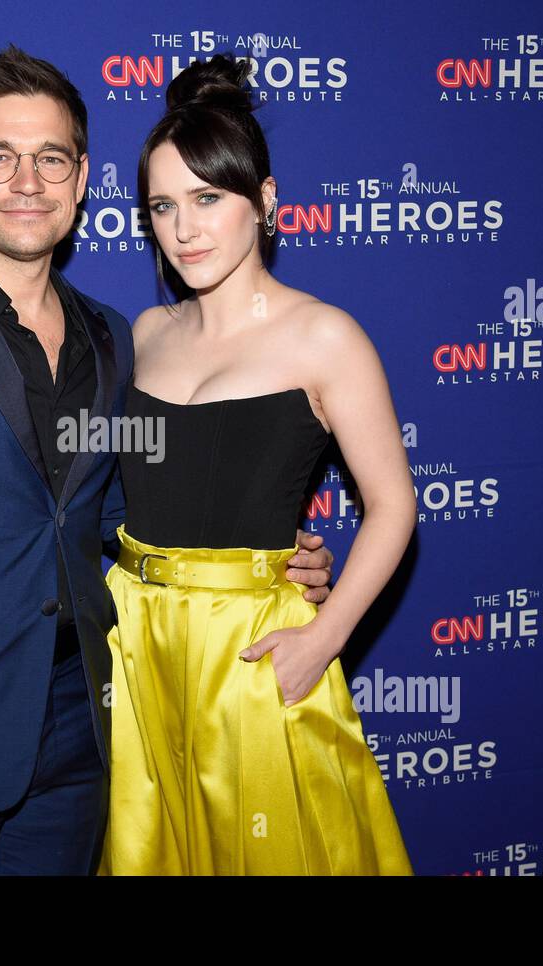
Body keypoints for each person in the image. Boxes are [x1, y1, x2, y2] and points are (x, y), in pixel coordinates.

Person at [0, 44, 334, 876]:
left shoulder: (111, 336)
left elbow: (119, 510)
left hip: (90, 731)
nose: (27, 181)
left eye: (51, 158)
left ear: (81, 181)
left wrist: (257, 553)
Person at [96, 53, 416, 875]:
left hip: (251, 650)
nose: (184, 228)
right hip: (138, 645)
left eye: (209, 198)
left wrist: (325, 637)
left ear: (265, 200)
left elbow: (393, 506)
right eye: (163, 205)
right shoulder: (146, 334)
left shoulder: (325, 337)